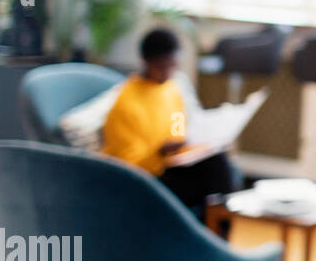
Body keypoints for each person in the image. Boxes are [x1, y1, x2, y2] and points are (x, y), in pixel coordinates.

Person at [101, 27, 238, 227]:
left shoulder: (170, 90)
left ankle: (218, 240)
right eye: (163, 66)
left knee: (218, 162)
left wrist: (185, 144)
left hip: (171, 166)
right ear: (147, 62)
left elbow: (176, 130)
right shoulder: (126, 104)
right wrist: (159, 152)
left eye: (172, 66)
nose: (168, 72)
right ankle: (204, 238)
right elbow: (128, 164)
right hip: (146, 178)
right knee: (209, 179)